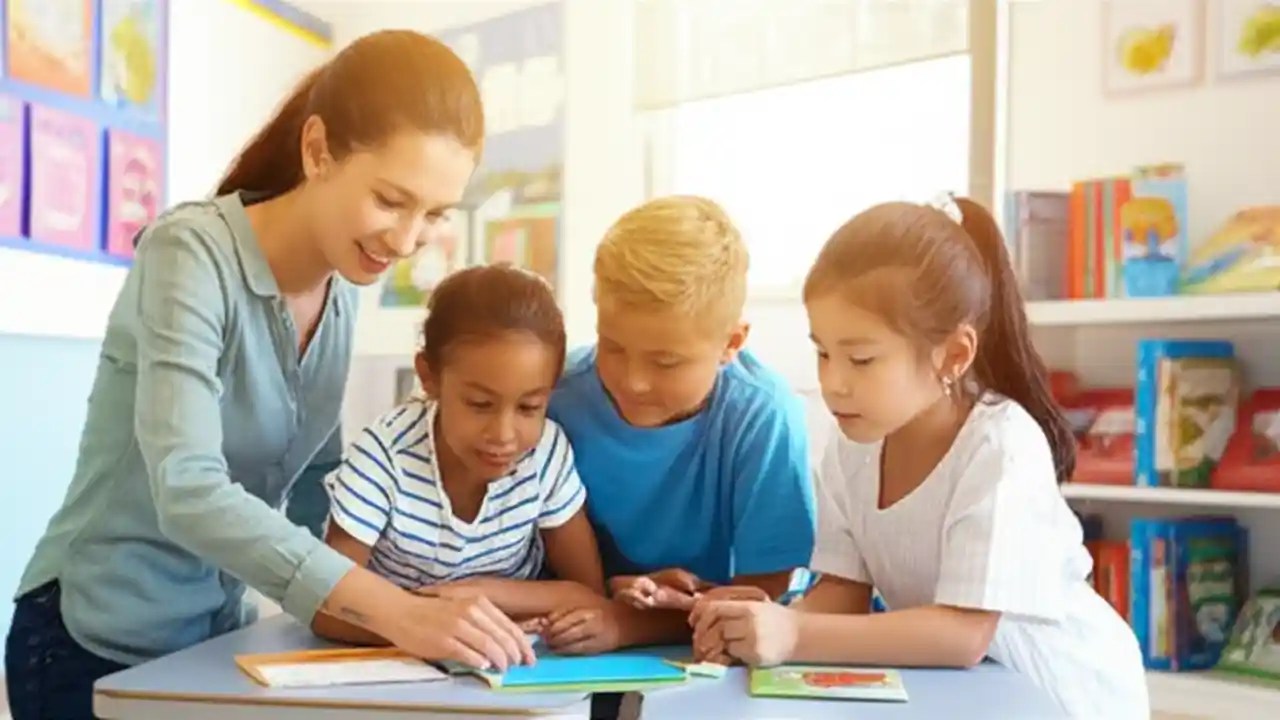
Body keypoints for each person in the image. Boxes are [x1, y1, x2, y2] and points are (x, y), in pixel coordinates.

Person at [5, 30, 534, 720]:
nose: (406, 241)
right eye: (390, 200)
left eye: (433, 214)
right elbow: (188, 489)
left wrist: (410, 608)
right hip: (91, 640)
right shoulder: (190, 253)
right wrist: (392, 611)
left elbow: (322, 481)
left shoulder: (342, 290)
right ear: (318, 151)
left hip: (213, 642)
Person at [690, 197, 1149, 718]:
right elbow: (843, 592)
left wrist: (794, 633)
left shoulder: (1000, 447)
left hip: (1059, 694)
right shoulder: (853, 442)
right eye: (823, 352)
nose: (833, 382)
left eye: (861, 359)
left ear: (954, 356)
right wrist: (763, 624)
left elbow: (962, 634)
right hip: (959, 690)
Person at [540, 196, 816, 656]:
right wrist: (616, 596)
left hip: (711, 650)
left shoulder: (763, 416)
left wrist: (630, 624)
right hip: (573, 638)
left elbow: (769, 586)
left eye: (666, 361)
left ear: (732, 342)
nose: (634, 381)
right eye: (612, 346)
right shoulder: (554, 397)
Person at [312, 264, 606, 646]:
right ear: (429, 376)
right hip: (399, 664)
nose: (503, 435)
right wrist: (427, 623)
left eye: (529, 407)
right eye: (480, 404)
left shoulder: (546, 454)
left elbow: (587, 596)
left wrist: (476, 595)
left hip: (506, 667)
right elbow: (325, 607)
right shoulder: (384, 457)